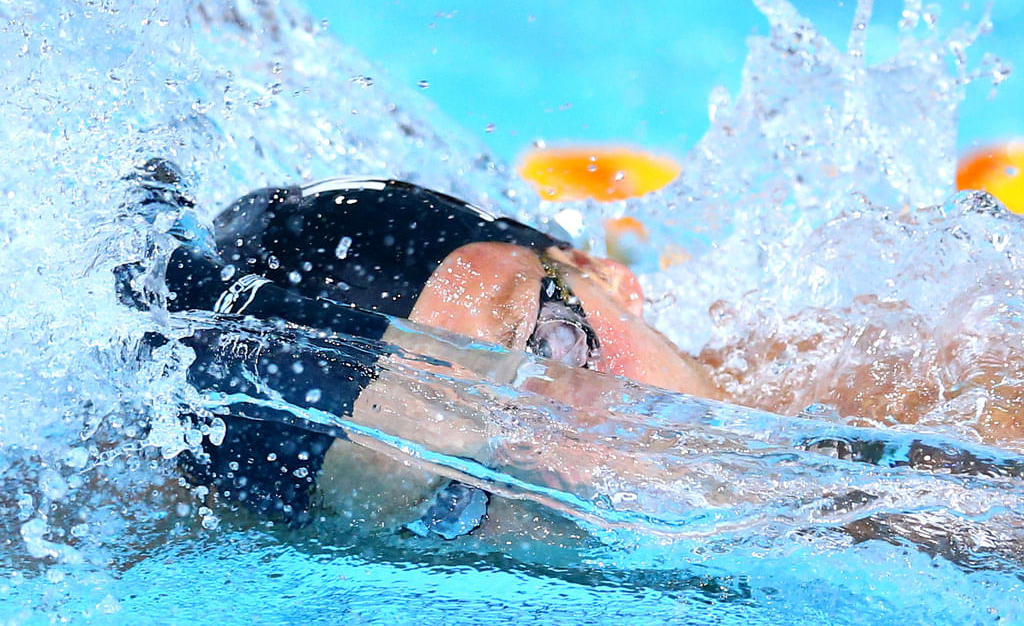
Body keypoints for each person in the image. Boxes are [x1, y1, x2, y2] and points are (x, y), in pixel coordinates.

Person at [121, 159, 1022, 549]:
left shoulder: (956, 368)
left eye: (554, 349)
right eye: (459, 497)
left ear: (597, 270)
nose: (576, 470)